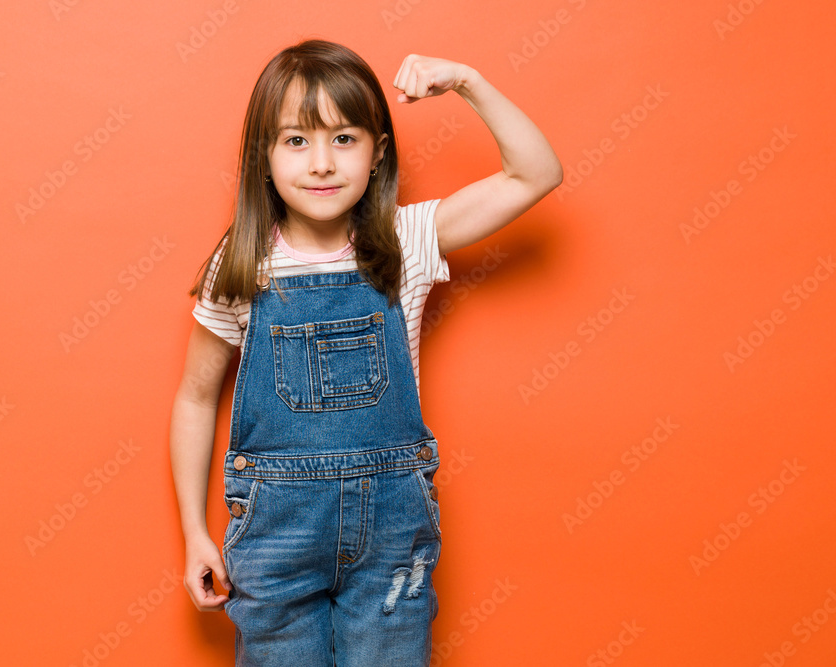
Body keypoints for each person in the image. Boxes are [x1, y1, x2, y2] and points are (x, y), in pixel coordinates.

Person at [170, 38, 562, 666]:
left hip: (391, 536)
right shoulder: (241, 263)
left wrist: (467, 79)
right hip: (275, 536)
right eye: (296, 140)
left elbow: (536, 174)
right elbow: (194, 397)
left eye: (344, 139)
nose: (321, 163)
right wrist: (194, 533)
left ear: (378, 153)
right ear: (262, 158)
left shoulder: (406, 239)